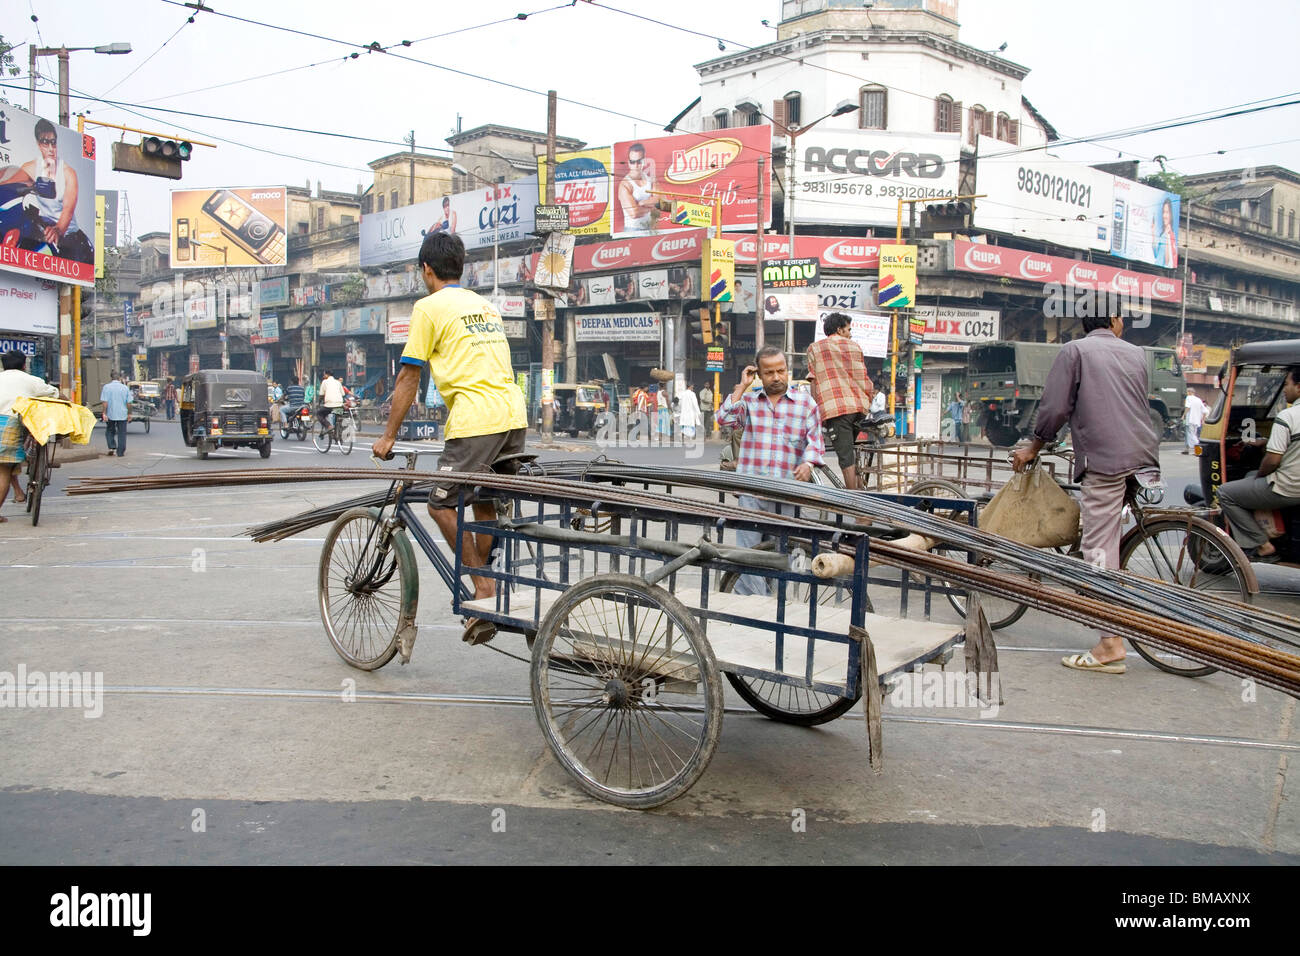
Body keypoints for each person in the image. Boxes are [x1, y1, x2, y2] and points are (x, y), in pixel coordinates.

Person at [372, 230, 528, 648]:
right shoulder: (485, 306)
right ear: (461, 267)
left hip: (476, 419)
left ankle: (483, 589)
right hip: (513, 416)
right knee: (483, 499)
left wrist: (388, 436)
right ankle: (487, 581)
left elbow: (409, 375)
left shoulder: (428, 307)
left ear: (426, 269)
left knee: (440, 504)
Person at [1010, 311, 1159, 675]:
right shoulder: (1136, 353)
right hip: (1143, 453)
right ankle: (1112, 598)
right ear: (1113, 320)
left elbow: (1057, 407)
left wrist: (1035, 445)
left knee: (1097, 547)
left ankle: (1109, 643)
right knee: (1108, 538)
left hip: (1106, 458)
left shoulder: (1075, 351)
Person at [715, 347, 825, 595]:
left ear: (788, 371)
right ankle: (755, 608)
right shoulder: (750, 403)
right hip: (752, 494)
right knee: (748, 556)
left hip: (788, 494)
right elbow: (723, 418)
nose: (776, 377)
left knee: (783, 554)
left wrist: (807, 464)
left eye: (781, 371)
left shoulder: (806, 404)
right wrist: (741, 387)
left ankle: (779, 607)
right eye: (769, 372)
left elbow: (816, 443)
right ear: (759, 375)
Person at [1216, 366, 1300, 562]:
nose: (1285, 389)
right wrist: (1266, 441)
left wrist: (1261, 475)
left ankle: (1263, 545)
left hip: (1288, 488)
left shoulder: (1288, 416)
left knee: (1225, 492)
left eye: (1286, 384)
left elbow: (1272, 461)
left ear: (1299, 387)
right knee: (1249, 477)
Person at [806, 312, 874, 491]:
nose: (850, 333)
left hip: (836, 409)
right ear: (839, 329)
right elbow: (864, 378)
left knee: (845, 457)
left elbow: (814, 380)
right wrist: (868, 400)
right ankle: (859, 492)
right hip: (859, 407)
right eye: (848, 329)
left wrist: (815, 411)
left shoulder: (815, 348)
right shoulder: (855, 347)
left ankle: (853, 503)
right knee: (849, 452)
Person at [17, 119, 93, 264]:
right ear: (39, 144)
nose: (51, 148)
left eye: (53, 142)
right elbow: (13, 188)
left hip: (69, 236)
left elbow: (68, 211)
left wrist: (58, 229)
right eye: (46, 142)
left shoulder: (68, 173)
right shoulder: (30, 168)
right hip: (43, 227)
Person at [0, 350, 59, 520]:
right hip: (9, 423)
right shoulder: (31, 380)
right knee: (3, 470)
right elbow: (54, 393)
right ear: (24, 365)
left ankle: (18, 492)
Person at [617, 143, 658, 235]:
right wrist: (652, 207)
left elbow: (660, 200)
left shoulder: (651, 179)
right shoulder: (625, 184)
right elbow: (634, 213)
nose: (636, 165)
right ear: (628, 162)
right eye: (632, 162)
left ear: (644, 161)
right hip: (633, 231)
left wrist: (642, 203)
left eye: (639, 161)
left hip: (650, 229)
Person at [101, 370, 132, 457]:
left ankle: (112, 447)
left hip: (111, 413)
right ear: (119, 378)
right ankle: (120, 452)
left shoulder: (106, 387)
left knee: (110, 431)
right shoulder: (125, 388)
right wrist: (129, 414)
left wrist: (104, 413)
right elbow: (129, 403)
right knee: (122, 433)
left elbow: (105, 402)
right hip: (122, 414)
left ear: (111, 377)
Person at [1153, 196, 1178, 269]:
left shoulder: (1171, 234)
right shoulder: (1163, 233)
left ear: (1171, 215)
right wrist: (1152, 232)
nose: (1164, 216)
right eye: (1163, 212)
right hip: (1155, 265)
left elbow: (1167, 261)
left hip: (1162, 270)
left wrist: (1167, 236)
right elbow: (1156, 254)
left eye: (1167, 212)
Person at [1182, 390, 1209, 454]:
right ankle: (1187, 449)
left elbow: (1188, 407)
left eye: (1187, 392)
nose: (1187, 393)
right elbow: (1205, 411)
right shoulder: (1199, 400)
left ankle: (1199, 450)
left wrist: (1184, 415)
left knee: (1191, 435)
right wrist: (1203, 420)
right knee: (1191, 434)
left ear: (1189, 392)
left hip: (1190, 420)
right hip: (1196, 421)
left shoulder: (1188, 398)